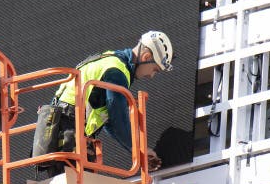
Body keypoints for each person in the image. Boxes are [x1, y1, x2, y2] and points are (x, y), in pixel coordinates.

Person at [33, 30, 173, 176]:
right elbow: (117, 118)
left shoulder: (109, 59)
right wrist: (138, 150)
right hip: (69, 132)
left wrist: (137, 150)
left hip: (60, 131)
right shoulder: (117, 71)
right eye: (155, 69)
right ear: (146, 56)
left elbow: (109, 121)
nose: (151, 75)